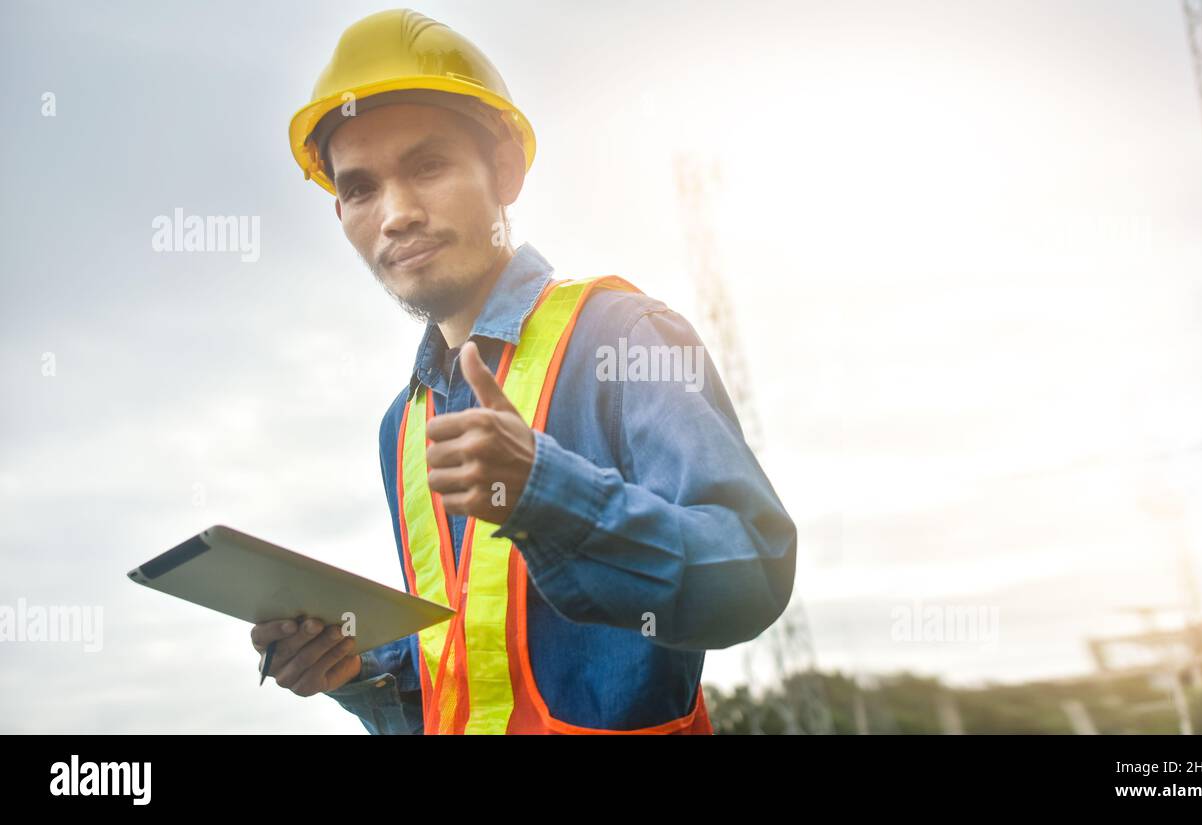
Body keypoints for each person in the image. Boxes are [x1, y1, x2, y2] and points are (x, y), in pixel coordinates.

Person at [250, 8, 796, 734]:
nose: (397, 214)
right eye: (360, 188)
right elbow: (473, 682)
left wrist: (544, 492)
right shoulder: (404, 424)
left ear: (504, 168)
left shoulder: (627, 337)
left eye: (427, 165)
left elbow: (753, 574)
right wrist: (356, 670)